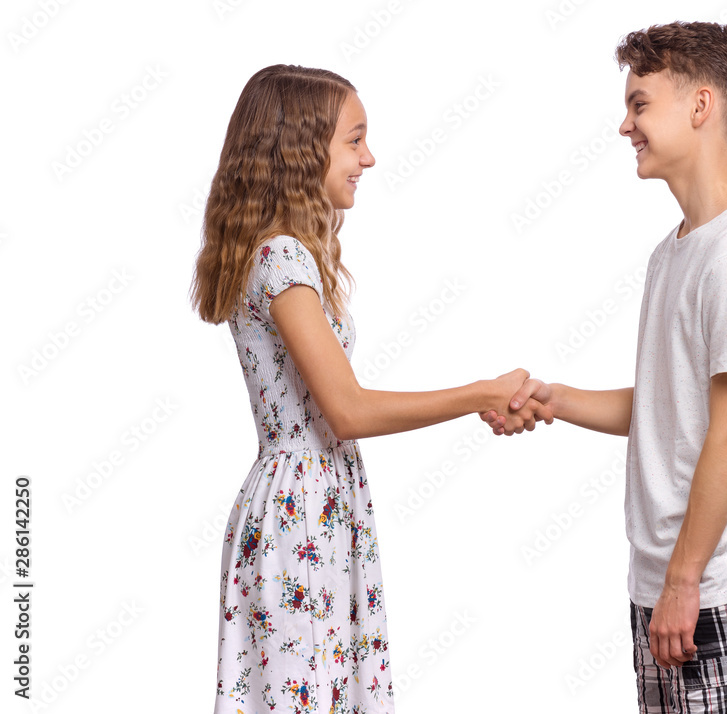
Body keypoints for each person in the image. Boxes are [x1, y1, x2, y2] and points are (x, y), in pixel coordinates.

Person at [189, 65, 551, 714]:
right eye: (355, 140)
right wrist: (481, 393)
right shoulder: (281, 260)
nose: (369, 158)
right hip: (300, 514)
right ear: (305, 147)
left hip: (319, 506)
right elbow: (348, 409)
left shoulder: (290, 255)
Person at [483, 21, 727, 713]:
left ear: (700, 106)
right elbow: (671, 410)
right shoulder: (678, 250)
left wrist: (684, 582)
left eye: (640, 103)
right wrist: (555, 399)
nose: (625, 124)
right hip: (667, 583)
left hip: (711, 584)